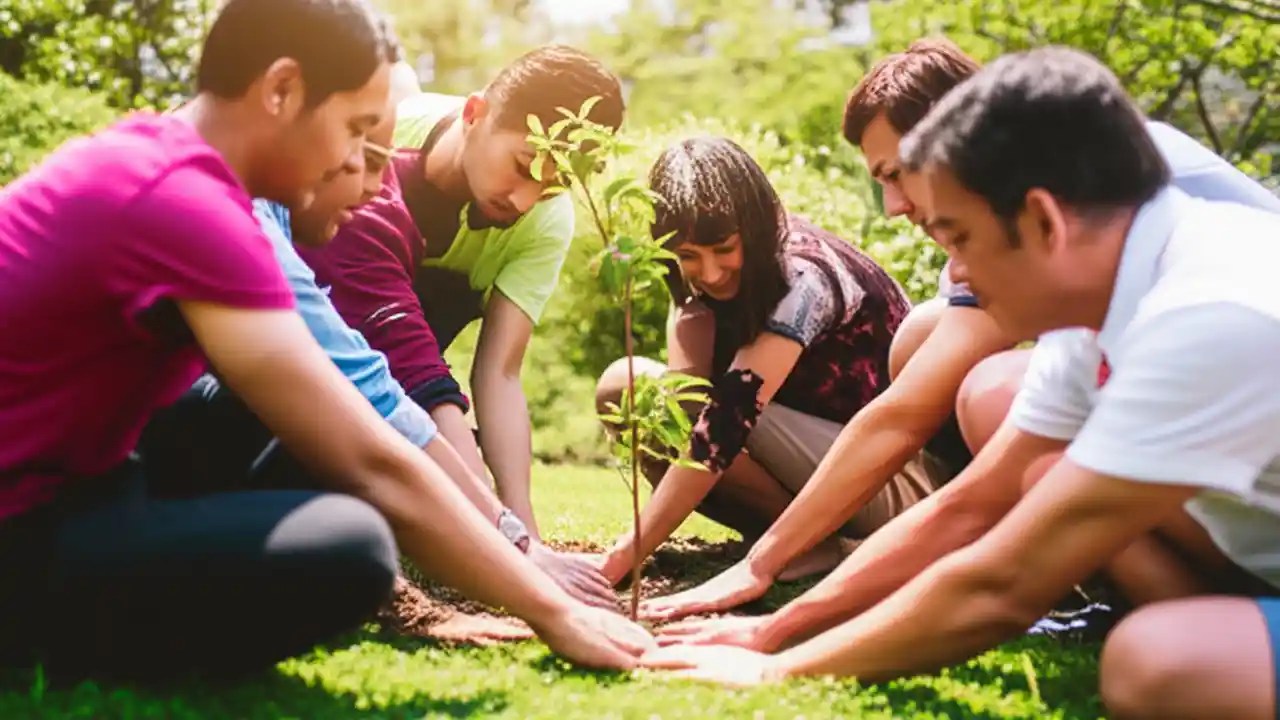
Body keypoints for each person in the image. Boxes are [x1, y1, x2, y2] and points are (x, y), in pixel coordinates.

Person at [0, 0, 650, 681]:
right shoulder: (187, 205)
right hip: (25, 517)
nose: (362, 168)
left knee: (292, 430)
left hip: (87, 479)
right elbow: (371, 453)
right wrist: (553, 611)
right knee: (351, 547)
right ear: (281, 91)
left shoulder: (177, 170)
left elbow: (346, 406)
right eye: (356, 132)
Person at [640, 48, 1280, 720]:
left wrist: (781, 671)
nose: (957, 279)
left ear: (1042, 221)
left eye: (961, 240)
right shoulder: (1090, 312)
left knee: (1159, 662)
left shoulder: (1212, 312)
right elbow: (971, 505)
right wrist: (778, 625)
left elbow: (1005, 580)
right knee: (1045, 473)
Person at [141, 101, 616, 612]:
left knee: (347, 507)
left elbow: (385, 395)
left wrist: (514, 534)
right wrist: (526, 571)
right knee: (354, 529)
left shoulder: (262, 203)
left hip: (141, 449)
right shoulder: (228, 210)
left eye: (382, 163)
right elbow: (371, 391)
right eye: (365, 160)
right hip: (82, 483)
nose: (375, 186)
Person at [593, 136, 952, 587]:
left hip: (898, 479)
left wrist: (627, 553)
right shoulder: (701, 287)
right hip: (816, 468)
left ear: (755, 227)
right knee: (631, 393)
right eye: (688, 257)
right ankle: (807, 543)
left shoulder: (803, 275)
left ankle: (803, 544)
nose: (710, 273)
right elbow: (682, 417)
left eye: (724, 249)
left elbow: (722, 425)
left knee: (683, 405)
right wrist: (690, 314)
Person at [298, 46, 625, 539]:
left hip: (417, 377)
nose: (526, 200)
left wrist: (522, 524)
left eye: (554, 187)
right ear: (475, 114)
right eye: (524, 165)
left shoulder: (543, 222)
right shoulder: (387, 137)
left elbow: (500, 372)